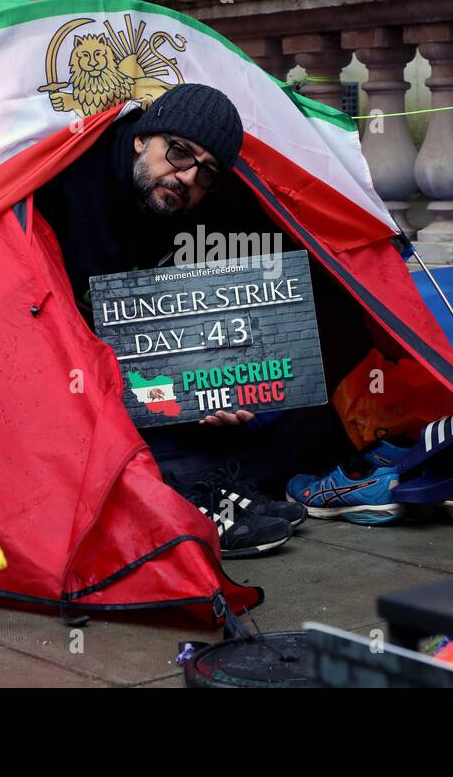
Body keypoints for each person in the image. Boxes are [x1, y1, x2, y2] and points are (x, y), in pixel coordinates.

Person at [35, 83, 310, 558]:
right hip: (39, 352)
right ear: (142, 138)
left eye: (206, 174)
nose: (187, 178)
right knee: (106, 396)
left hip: (115, 355)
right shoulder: (72, 178)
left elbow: (164, 325)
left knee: (245, 415)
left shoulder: (180, 206)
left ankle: (208, 484)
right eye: (179, 153)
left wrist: (208, 383)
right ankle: (185, 502)